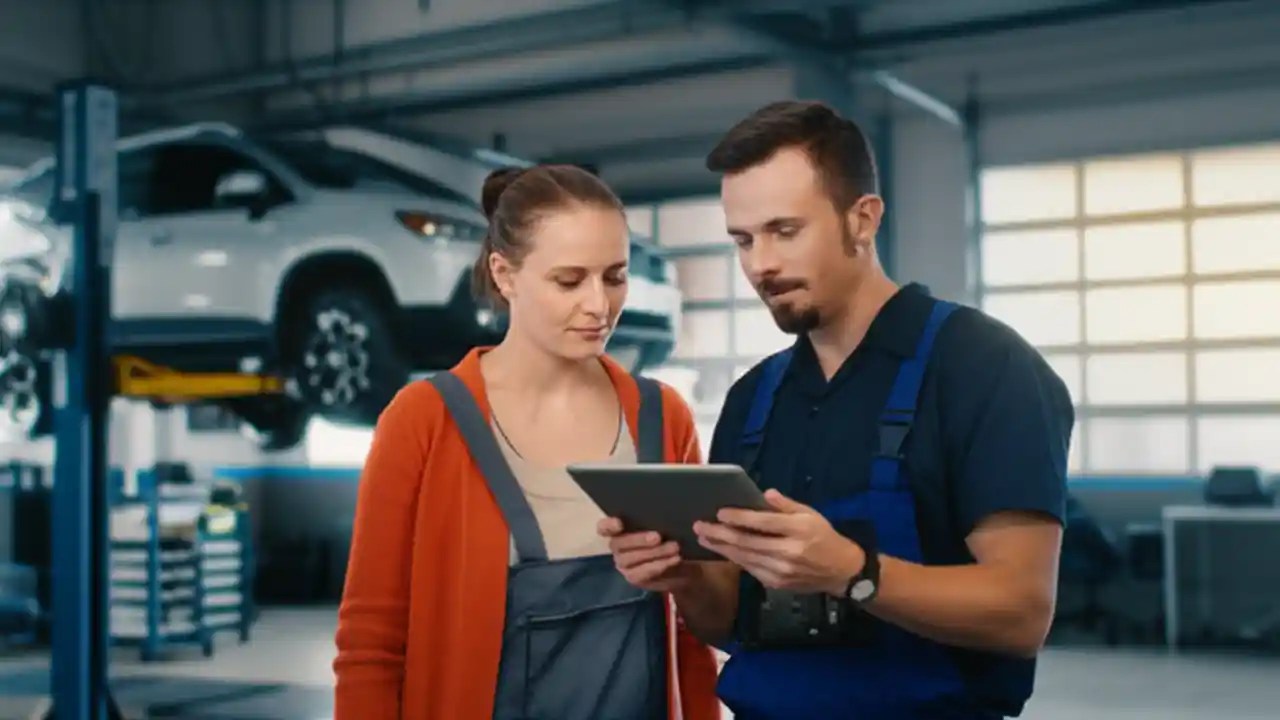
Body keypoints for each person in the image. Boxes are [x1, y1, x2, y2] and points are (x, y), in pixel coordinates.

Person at [602, 100, 1074, 719]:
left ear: (863, 220)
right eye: (742, 240)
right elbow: (730, 623)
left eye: (785, 231)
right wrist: (681, 576)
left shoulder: (984, 368)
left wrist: (853, 572)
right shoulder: (752, 401)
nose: (760, 264)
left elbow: (1019, 613)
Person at [334, 164, 721, 720]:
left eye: (614, 276)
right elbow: (370, 646)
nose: (599, 305)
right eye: (569, 280)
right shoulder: (423, 422)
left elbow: (689, 636)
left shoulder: (663, 417)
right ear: (505, 274)